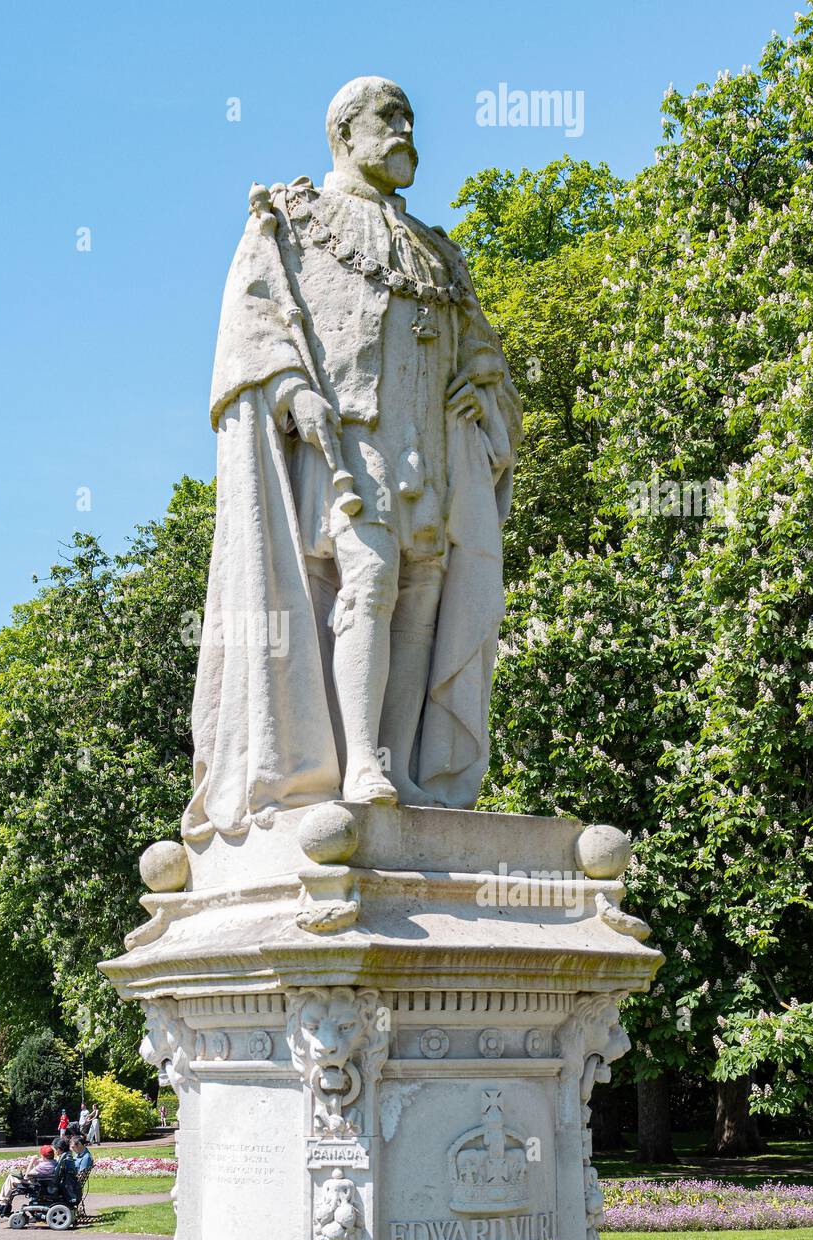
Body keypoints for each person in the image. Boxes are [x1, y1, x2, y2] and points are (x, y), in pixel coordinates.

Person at [183, 77, 521, 837]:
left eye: (411, 119)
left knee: (423, 593)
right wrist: (290, 390)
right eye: (390, 119)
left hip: (427, 449)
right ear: (345, 134)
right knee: (368, 581)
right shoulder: (291, 220)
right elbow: (257, 320)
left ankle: (395, 762)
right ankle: (359, 757)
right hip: (350, 439)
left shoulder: (437, 251)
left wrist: (483, 387)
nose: (407, 131)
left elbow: (483, 352)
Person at [0, 1146, 56, 1218]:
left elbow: (27, 1176)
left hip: (35, 1185)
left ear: (43, 1155)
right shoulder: (53, 1163)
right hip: (42, 1182)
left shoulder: (43, 1166)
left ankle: (2, 1204)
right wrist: (37, 1162)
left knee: (11, 1178)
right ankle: (3, 1204)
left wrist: (32, 1162)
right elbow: (42, 1167)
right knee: (12, 1178)